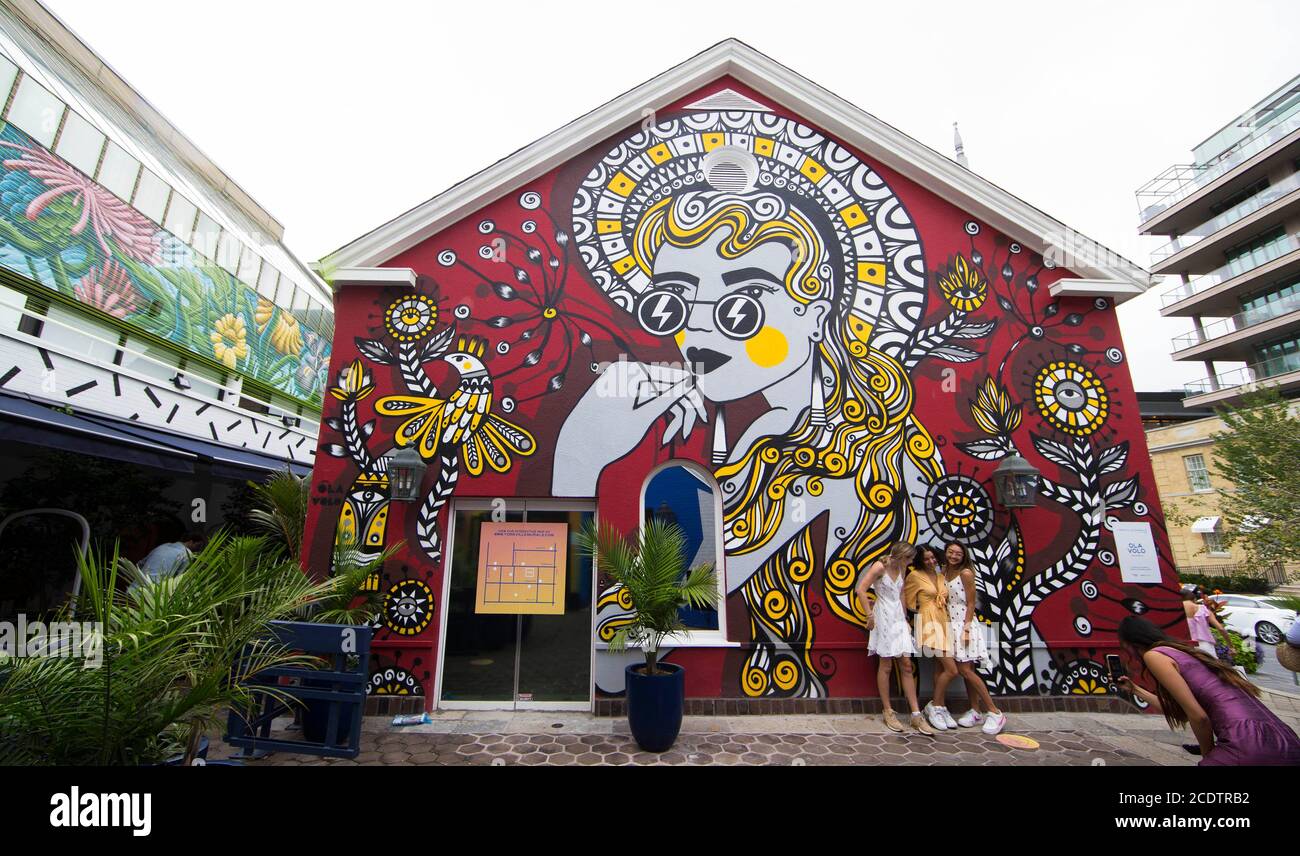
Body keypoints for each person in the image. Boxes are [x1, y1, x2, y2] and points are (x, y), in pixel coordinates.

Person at [1115, 615, 1300, 765]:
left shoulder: (1154, 656)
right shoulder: (1184, 652)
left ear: (1131, 643)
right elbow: (1179, 711)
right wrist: (1135, 690)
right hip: (1284, 739)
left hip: (1246, 741)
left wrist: (1208, 756)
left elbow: (1198, 717)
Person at [856, 541, 932, 735]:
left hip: (898, 616)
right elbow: (861, 589)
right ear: (899, 555)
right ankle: (888, 710)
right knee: (886, 663)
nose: (911, 561)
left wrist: (906, 618)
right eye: (909, 558)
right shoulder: (881, 566)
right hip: (883, 615)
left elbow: (901, 594)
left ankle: (916, 714)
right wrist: (869, 615)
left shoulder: (903, 567)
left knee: (906, 664)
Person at [940, 540, 1006, 735]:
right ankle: (975, 710)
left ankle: (994, 712)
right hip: (950, 622)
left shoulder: (966, 573)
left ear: (964, 556)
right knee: (967, 670)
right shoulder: (944, 571)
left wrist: (966, 628)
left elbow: (971, 603)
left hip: (963, 623)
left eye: (957, 554)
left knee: (965, 670)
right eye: (950, 552)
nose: (953, 556)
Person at [904, 544, 959, 731]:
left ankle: (941, 707)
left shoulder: (941, 575)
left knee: (940, 667)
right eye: (926, 558)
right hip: (929, 622)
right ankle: (934, 706)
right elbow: (908, 601)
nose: (931, 561)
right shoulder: (914, 576)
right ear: (920, 560)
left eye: (933, 557)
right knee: (952, 670)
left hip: (944, 620)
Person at [138, 522, 204, 583]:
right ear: (191, 542)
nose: (199, 549)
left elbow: (140, 564)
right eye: (198, 546)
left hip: (134, 589)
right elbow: (179, 580)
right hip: (151, 592)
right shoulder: (187, 554)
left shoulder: (164, 546)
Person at [1182, 585, 1226, 656]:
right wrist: (1231, 646)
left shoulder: (1176, 610)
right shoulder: (1203, 609)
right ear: (1194, 598)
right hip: (1205, 645)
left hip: (1185, 647)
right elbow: (1221, 628)